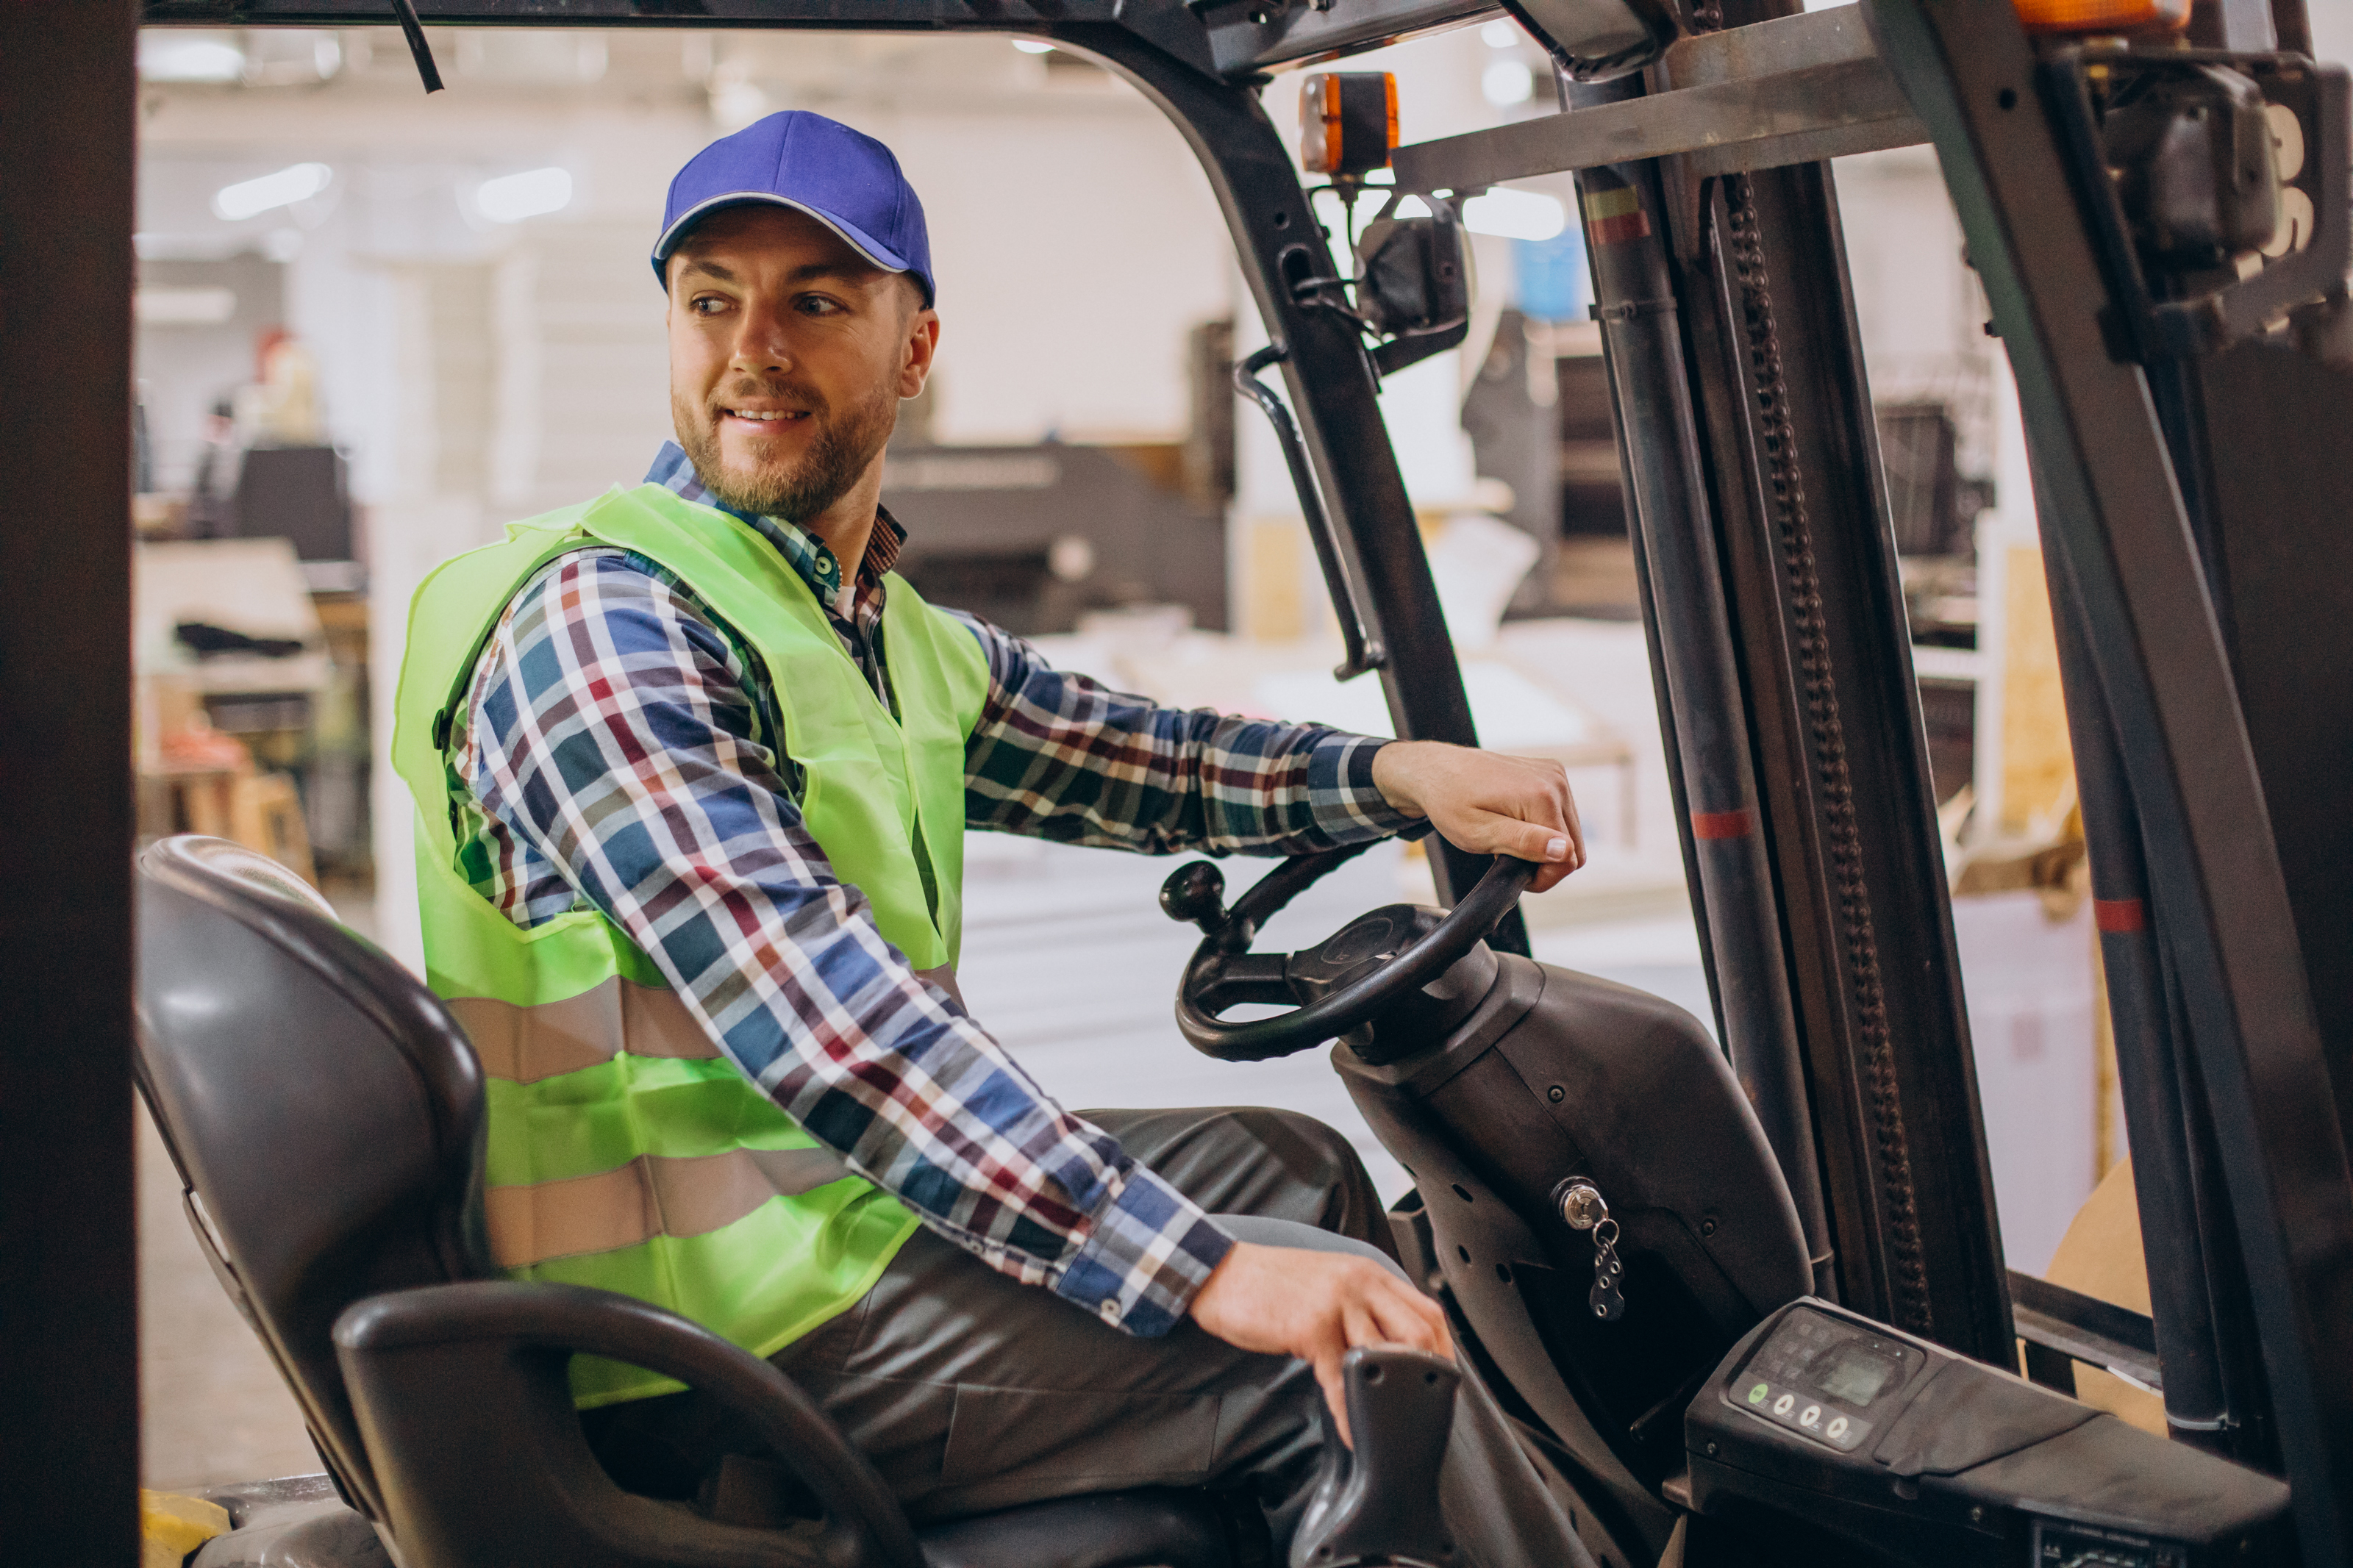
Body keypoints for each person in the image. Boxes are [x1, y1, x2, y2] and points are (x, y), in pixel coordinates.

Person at [391, 109, 1593, 1564]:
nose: (751, 346)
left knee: (1296, 1173)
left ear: (913, 348)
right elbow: (836, 1029)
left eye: (813, 303)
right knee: (1359, 1354)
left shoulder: (854, 623)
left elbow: (1135, 756)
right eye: (711, 300)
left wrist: (1397, 771)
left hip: (819, 1236)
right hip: (688, 1339)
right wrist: (1200, 1272)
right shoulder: (608, 629)